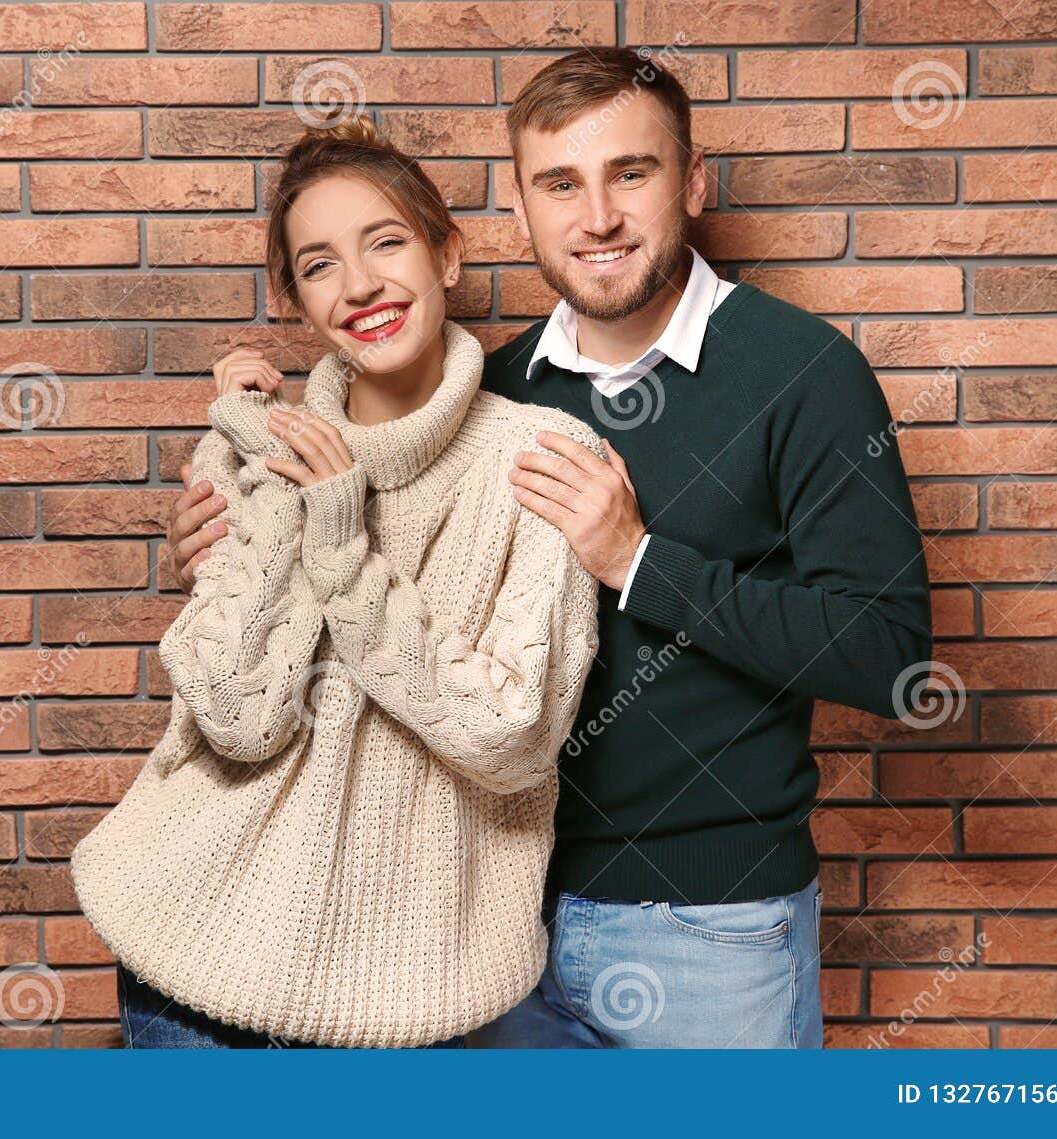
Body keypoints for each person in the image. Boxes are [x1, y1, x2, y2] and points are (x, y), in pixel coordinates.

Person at [166, 50, 933, 1049]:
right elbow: (363, 587)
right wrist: (235, 519)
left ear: (692, 181)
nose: (598, 217)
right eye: (558, 184)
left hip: (703, 928)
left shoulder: (804, 372)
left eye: (631, 173)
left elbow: (888, 656)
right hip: (476, 920)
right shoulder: (493, 392)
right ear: (519, 212)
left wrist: (638, 559)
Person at [71, 115, 606, 1049]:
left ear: (448, 254)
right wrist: (269, 478)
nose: (360, 285)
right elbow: (238, 717)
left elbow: (513, 737)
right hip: (193, 962)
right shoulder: (255, 450)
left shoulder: (540, 460)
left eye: (386, 242)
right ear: (296, 298)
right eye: (319, 265)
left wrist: (343, 547)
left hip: (412, 998)